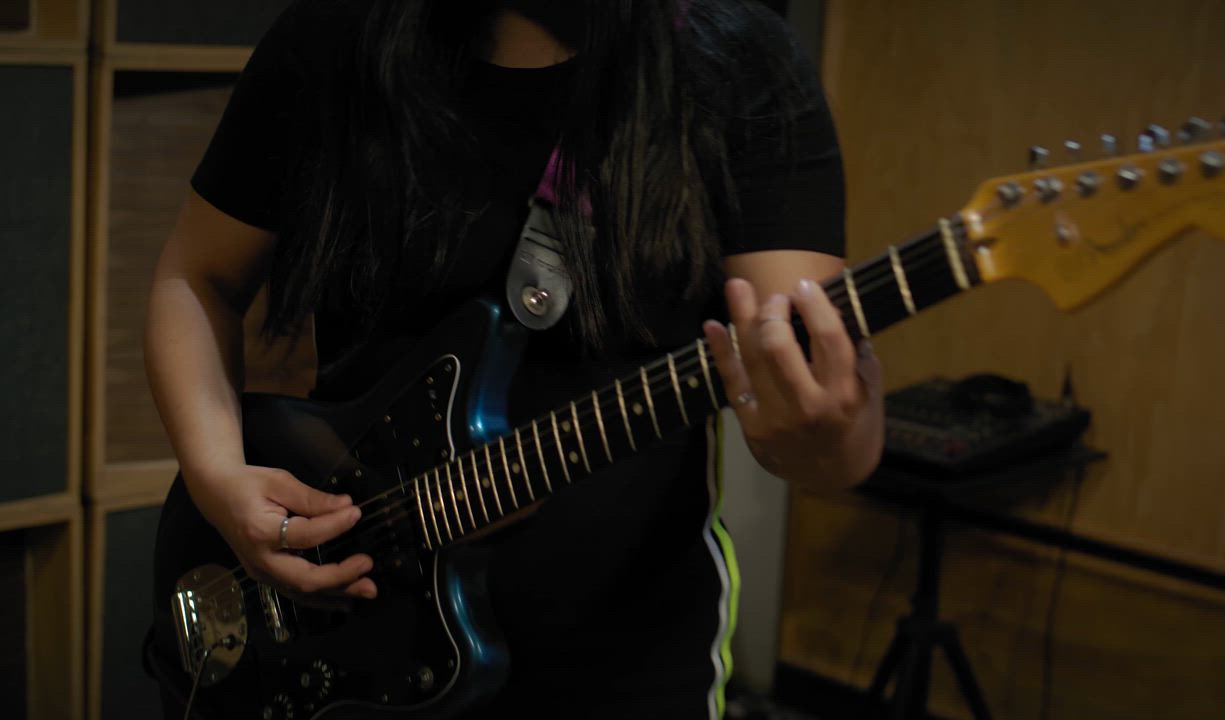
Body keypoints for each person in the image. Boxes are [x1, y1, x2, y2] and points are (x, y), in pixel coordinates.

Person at [143, 0, 884, 717]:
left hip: (627, 664)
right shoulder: (332, 34)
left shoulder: (737, 62)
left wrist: (831, 434)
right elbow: (195, 278)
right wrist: (217, 477)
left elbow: (821, 427)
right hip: (342, 632)